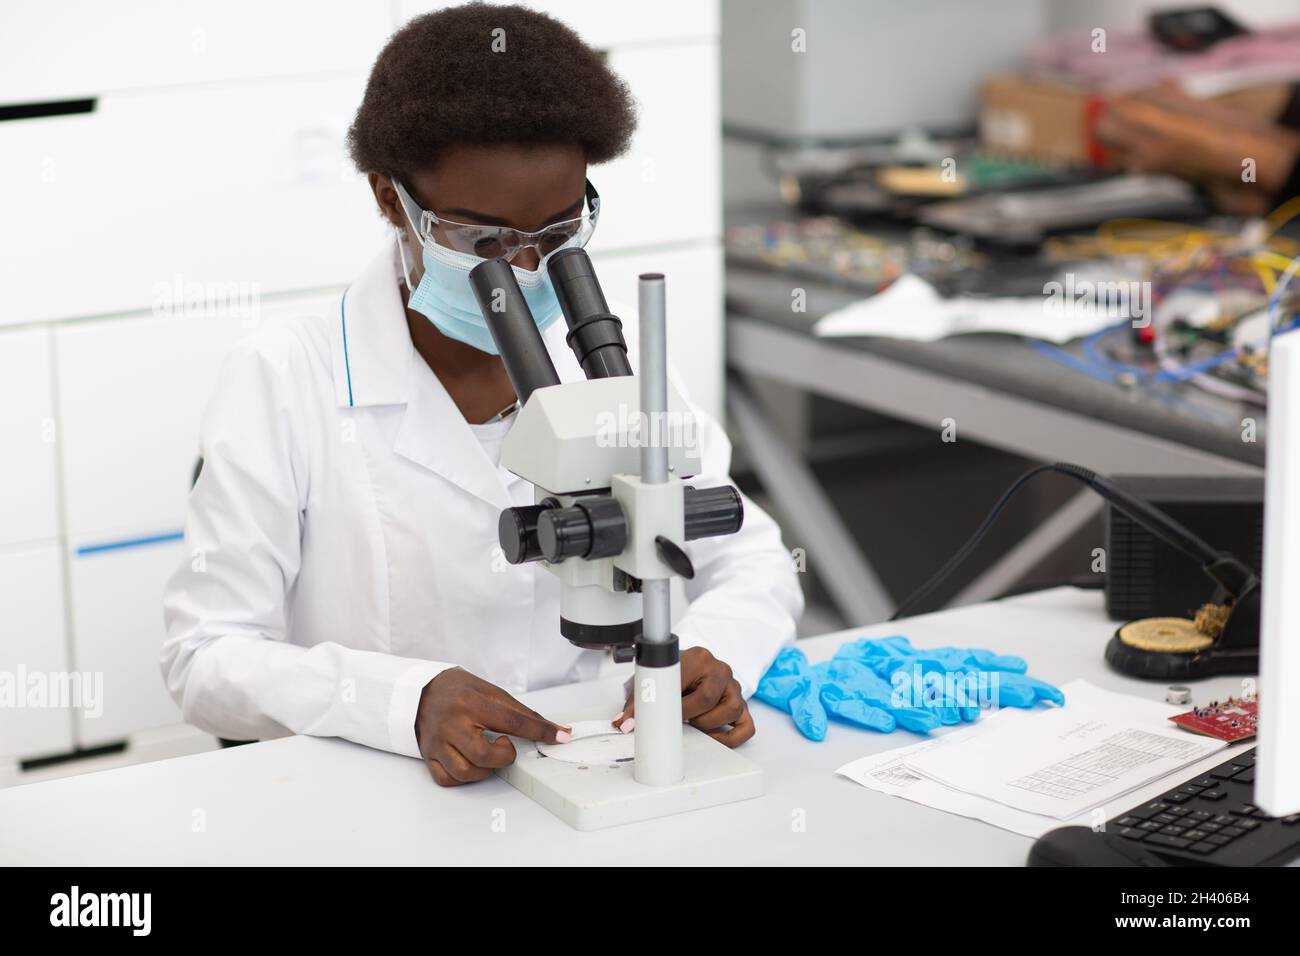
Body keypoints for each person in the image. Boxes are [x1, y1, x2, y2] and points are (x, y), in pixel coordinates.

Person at [161, 3, 802, 787]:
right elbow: (204, 655)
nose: (528, 269)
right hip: (385, 790)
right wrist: (404, 701)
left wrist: (711, 655)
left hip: (596, 760)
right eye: (485, 243)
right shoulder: (286, 377)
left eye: (559, 233)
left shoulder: (625, 360)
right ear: (390, 198)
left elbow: (749, 556)